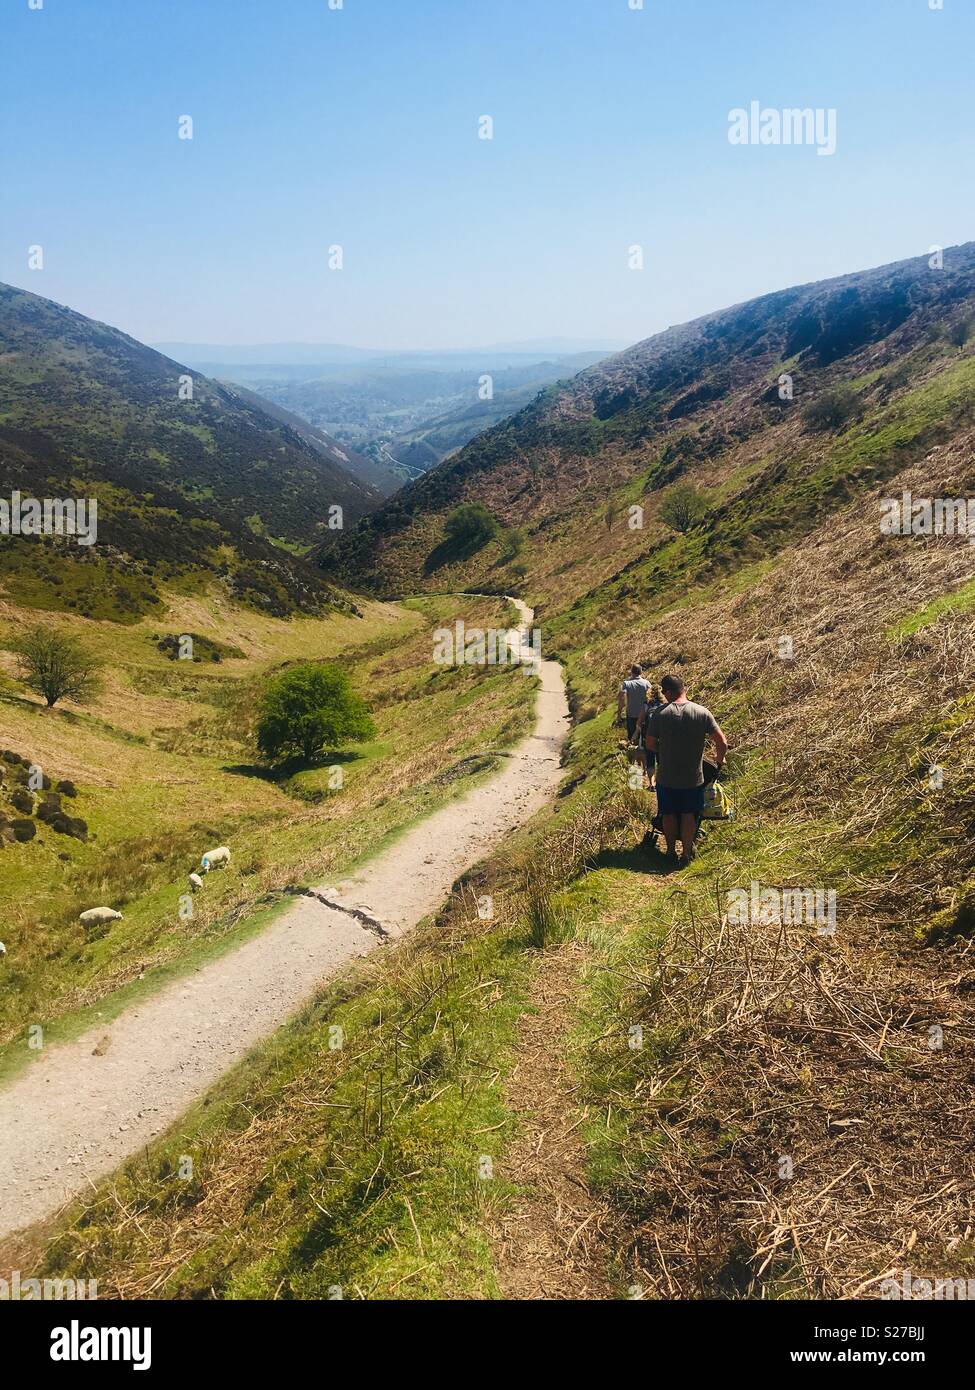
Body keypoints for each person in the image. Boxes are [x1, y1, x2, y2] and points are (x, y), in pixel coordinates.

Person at [643, 673, 728, 867]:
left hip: (666, 775)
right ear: (684, 689)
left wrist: (662, 751)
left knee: (669, 813)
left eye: (664, 692)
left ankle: (671, 852)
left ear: (670, 692)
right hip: (693, 776)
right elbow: (722, 742)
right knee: (689, 814)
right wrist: (720, 761)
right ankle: (687, 854)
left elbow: (649, 743)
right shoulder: (702, 712)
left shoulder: (660, 714)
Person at [635, 682, 665, 786]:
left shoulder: (647, 704)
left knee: (650, 760)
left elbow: (639, 721)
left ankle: (651, 784)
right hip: (662, 737)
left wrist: (637, 732)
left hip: (649, 736)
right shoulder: (665, 705)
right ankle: (660, 782)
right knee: (661, 761)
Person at [617, 664, 650, 743]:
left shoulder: (626, 683)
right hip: (644, 715)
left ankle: (633, 752)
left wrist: (619, 713)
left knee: (632, 737)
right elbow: (651, 698)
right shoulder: (646, 683)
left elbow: (622, 699)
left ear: (631, 672)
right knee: (645, 736)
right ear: (641, 672)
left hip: (632, 714)